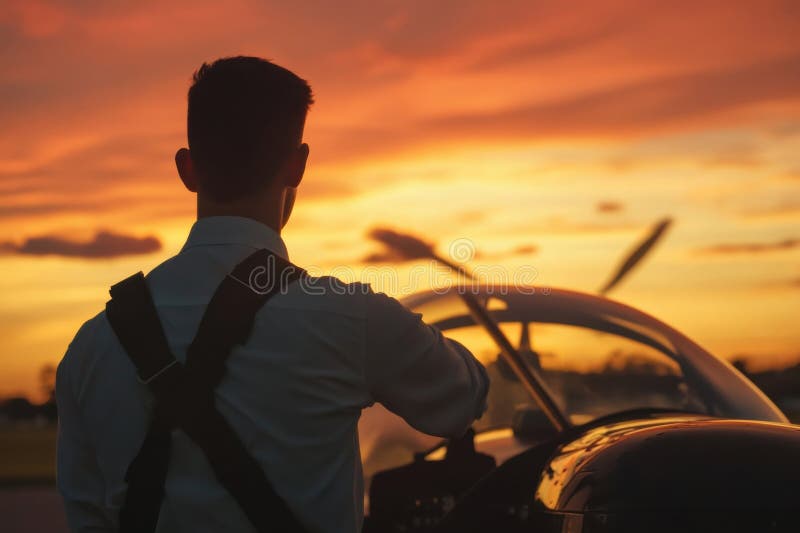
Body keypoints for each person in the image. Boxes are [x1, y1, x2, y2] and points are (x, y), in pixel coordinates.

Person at [56, 56, 489, 533]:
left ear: (187, 168)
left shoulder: (91, 346)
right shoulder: (352, 317)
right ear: (297, 166)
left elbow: (87, 513)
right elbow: (463, 400)